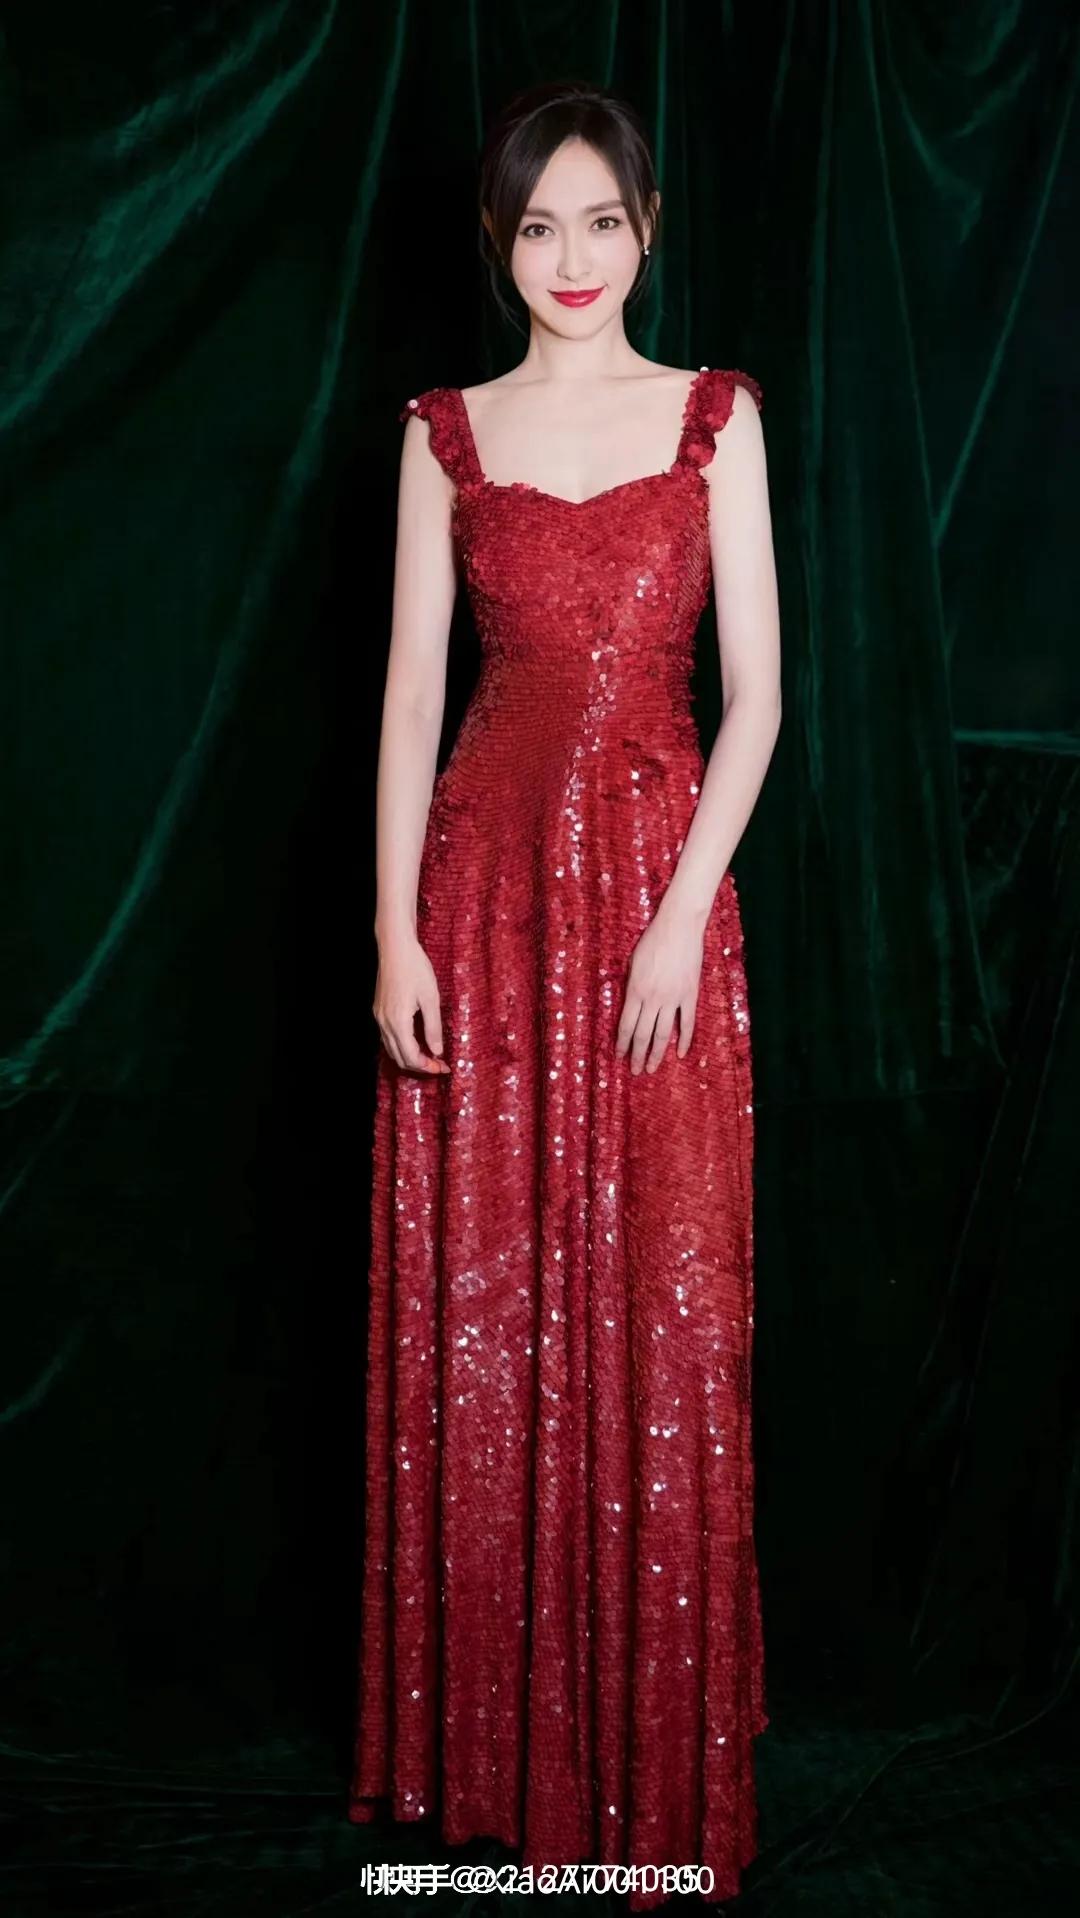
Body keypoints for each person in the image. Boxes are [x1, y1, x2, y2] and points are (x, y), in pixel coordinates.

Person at [349, 77, 782, 1911]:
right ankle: (490, 1772)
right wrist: (394, 932)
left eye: (602, 221)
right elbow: (407, 696)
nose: (573, 256)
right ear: (499, 243)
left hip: (658, 911)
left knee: (664, 1315)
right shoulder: (443, 434)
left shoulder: (716, 416)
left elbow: (760, 696)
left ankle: (645, 1762)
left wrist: (682, 916)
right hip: (483, 905)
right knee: (490, 1306)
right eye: (540, 226)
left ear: (649, 230)